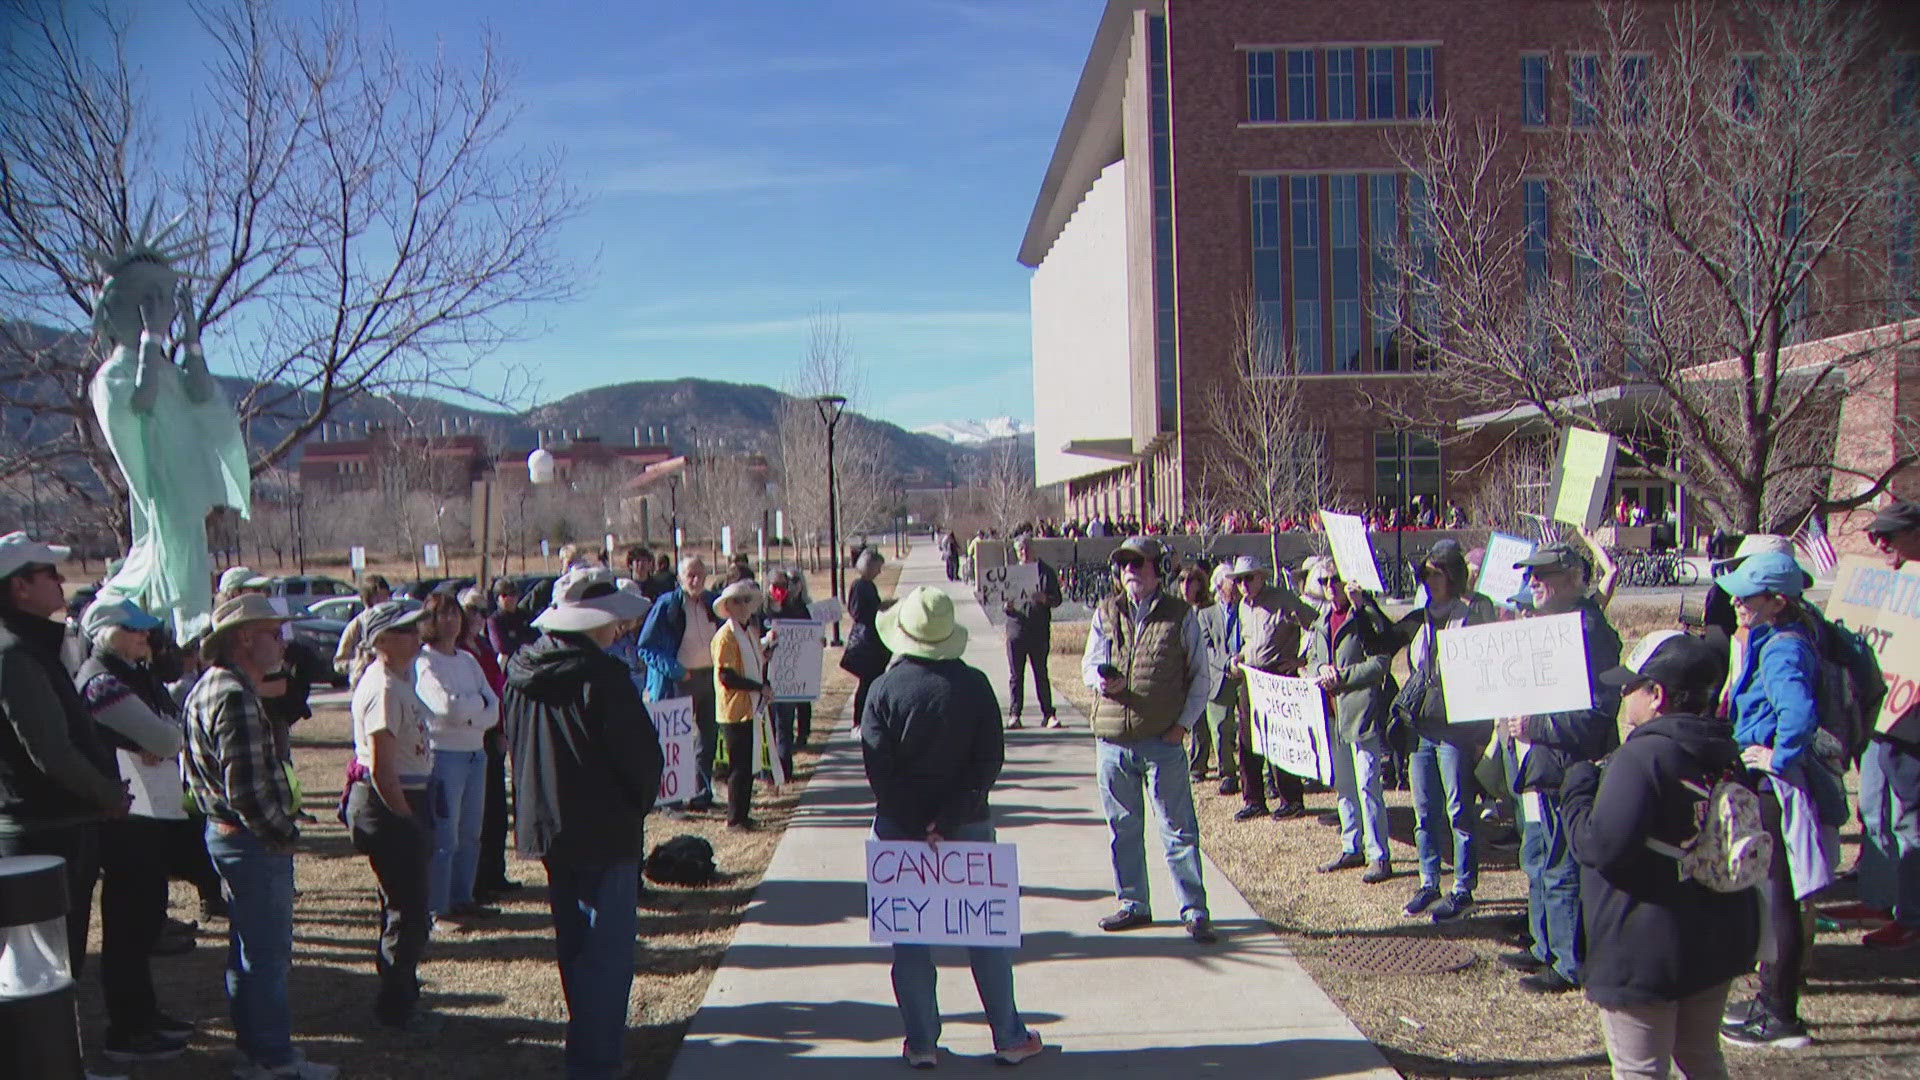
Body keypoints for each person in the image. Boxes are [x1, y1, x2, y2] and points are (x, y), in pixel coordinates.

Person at [861, 586, 1045, 1068]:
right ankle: (1008, 1036)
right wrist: (948, 818)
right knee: (986, 936)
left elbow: (879, 772)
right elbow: (989, 761)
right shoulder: (976, 685)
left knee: (912, 943)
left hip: (899, 832)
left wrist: (916, 822)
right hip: (969, 826)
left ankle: (921, 1043)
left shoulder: (882, 690)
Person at [1561, 630, 1758, 1080]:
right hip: (1711, 939)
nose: (1624, 694)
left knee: (1640, 1069)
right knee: (1700, 1058)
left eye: (1631, 686)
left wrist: (1576, 790)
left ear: (1657, 695)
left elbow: (1600, 848)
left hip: (1643, 946)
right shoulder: (1724, 752)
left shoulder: (1643, 757)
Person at [502, 567, 661, 1080]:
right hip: (604, 829)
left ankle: (589, 1047)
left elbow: (513, 746)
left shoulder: (521, 671)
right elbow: (640, 758)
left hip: (549, 827)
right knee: (607, 952)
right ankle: (596, 1060)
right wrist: (638, 800)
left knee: (574, 946)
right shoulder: (603, 678)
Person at [185, 594, 338, 1079]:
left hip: (229, 837)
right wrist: (284, 834)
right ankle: (273, 1057)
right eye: (275, 634)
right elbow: (247, 791)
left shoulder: (212, 686)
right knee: (266, 957)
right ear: (245, 638)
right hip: (248, 840)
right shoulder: (232, 695)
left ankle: (255, 1051)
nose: (283, 643)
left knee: (248, 950)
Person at [1715, 551, 1837, 1050]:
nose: (1737, 601)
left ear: (1777, 601)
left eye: (1749, 595)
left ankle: (1780, 1014)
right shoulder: (1787, 633)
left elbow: (1799, 714)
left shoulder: (1782, 648)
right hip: (1774, 780)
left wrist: (1778, 759)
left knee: (1781, 896)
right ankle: (1773, 1001)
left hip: (1774, 787)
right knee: (1777, 893)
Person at [76, 597, 199, 1063]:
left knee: (145, 919)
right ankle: (129, 1028)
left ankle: (144, 1015)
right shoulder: (101, 681)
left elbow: (174, 728)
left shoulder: (134, 676)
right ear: (109, 632)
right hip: (125, 823)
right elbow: (168, 737)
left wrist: (159, 737)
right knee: (128, 927)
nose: (147, 637)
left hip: (147, 814)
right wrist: (156, 737)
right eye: (137, 631)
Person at [1498, 544, 1623, 992]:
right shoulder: (1550, 627)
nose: (1534, 581)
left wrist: (1540, 724)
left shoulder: (1590, 632)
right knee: (1537, 856)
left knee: (1562, 863)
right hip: (1538, 763)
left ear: (1574, 579)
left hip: (1569, 767)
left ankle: (1568, 963)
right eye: (1531, 574)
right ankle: (1542, 944)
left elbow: (1600, 711)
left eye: (1544, 574)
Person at [1080, 536, 1215, 943]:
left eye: (1139, 563)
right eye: (1124, 564)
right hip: (1113, 741)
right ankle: (1133, 903)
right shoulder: (1106, 612)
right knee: (1122, 827)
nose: (1131, 571)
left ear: (1159, 568)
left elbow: (1201, 678)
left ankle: (1194, 910)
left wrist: (1182, 726)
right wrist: (1102, 684)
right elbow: (1089, 662)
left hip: (1162, 742)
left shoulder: (1181, 616)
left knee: (1177, 830)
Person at [1373, 539, 1497, 923]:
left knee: (1459, 810)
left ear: (1453, 576)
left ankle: (1463, 887)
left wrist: (1480, 735)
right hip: (1421, 730)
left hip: (1457, 730)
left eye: (1435, 573)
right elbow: (1383, 638)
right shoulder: (1419, 616)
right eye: (1424, 574)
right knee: (1424, 811)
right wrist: (1364, 603)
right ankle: (1429, 880)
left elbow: (1487, 675)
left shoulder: (1474, 614)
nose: (1428, 580)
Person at [344, 601, 439, 1033]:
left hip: (402, 798)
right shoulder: (382, 687)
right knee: (409, 909)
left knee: (403, 905)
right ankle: (397, 1007)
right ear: (381, 642)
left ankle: (401, 993)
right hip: (392, 803)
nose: (416, 635)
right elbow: (383, 767)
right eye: (403, 630)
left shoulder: (395, 681)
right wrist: (405, 818)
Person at [1848, 502, 1920, 949]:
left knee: (1910, 820)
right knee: (1872, 806)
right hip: (1882, 717)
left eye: (1889, 535)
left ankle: (1911, 916)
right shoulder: (1884, 587)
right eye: (1875, 536)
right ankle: (1879, 897)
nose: (1880, 545)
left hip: (1912, 725)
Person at [1304, 564, 1397, 885]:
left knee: (1368, 784)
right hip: (1330, 715)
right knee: (1344, 785)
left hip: (1360, 711)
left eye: (1335, 579)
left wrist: (1342, 678)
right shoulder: (1320, 622)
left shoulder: (1365, 616)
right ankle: (1351, 844)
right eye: (1324, 580)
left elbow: (1381, 661)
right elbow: (1312, 661)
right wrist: (1321, 668)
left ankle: (1379, 855)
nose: (1330, 585)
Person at [414, 591, 501, 923]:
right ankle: (438, 907)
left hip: (475, 753)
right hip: (444, 755)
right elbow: (443, 707)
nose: (450, 621)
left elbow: (493, 705)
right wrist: (473, 707)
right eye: (442, 615)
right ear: (429, 621)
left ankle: (464, 896)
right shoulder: (424, 662)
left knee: (470, 833)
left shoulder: (467, 660)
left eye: (454, 614)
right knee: (444, 835)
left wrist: (470, 711)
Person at [1227, 556, 1315, 822]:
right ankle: (1253, 799)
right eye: (1239, 580)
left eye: (1248, 578)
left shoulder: (1283, 599)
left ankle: (1291, 799)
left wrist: (1302, 660)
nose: (1243, 584)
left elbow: (1316, 625)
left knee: (1279, 739)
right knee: (1246, 739)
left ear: (1262, 577)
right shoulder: (1243, 606)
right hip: (1251, 678)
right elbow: (1250, 641)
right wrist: (1239, 658)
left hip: (1278, 678)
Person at [636, 557, 721, 810]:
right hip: (679, 681)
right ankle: (670, 801)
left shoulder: (711, 603)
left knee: (708, 738)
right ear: (680, 578)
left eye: (699, 574)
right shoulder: (667, 605)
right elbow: (646, 647)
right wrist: (676, 671)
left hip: (710, 678)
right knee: (675, 743)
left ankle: (702, 794)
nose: (695, 580)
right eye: (689, 575)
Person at [711, 580, 774, 830]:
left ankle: (743, 814)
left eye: (747, 600)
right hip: (734, 709)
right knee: (738, 766)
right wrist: (759, 687)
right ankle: (735, 818)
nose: (743, 605)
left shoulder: (748, 631)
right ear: (727, 606)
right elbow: (726, 676)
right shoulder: (726, 636)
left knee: (748, 764)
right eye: (737, 601)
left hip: (749, 707)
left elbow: (752, 663)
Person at [1002, 536, 1063, 730]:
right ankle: (1014, 714)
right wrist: (1007, 605)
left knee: (1041, 673)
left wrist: (1045, 598)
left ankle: (1048, 714)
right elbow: (1002, 602)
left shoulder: (1045, 572)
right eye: (1020, 549)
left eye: (1028, 548)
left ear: (1034, 549)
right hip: (1016, 629)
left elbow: (1057, 599)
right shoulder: (1011, 574)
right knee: (1016, 675)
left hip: (1038, 629)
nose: (1025, 553)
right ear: (1016, 552)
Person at [1179, 566, 1228, 782]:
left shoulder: (1208, 610)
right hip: (1185, 671)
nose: (1186, 586)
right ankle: (1197, 762)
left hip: (1209, 672)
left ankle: (1211, 765)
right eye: (1182, 581)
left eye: (1191, 581)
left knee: (1210, 722)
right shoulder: (1177, 609)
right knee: (1194, 721)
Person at [842, 548, 892, 730]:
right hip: (865, 643)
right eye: (877, 567)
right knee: (866, 682)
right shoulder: (859, 585)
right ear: (868, 566)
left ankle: (869, 717)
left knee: (872, 681)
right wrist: (878, 609)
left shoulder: (869, 585)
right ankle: (859, 721)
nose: (879, 572)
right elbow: (856, 612)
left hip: (873, 641)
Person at [333, 575, 393, 678]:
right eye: (378, 598)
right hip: (365, 682)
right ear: (368, 599)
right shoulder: (357, 624)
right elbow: (338, 663)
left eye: (386, 597)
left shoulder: (393, 621)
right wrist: (358, 663)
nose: (383, 602)